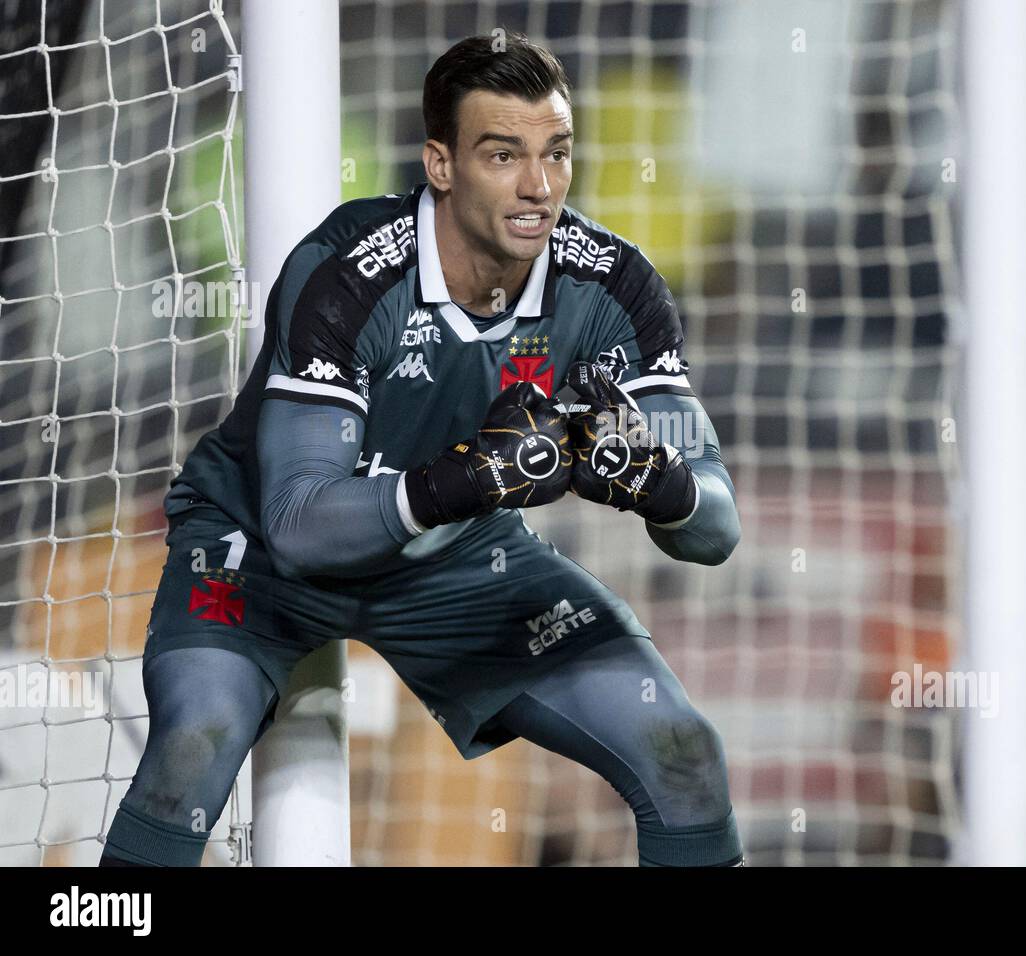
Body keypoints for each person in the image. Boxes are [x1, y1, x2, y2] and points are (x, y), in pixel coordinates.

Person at [100, 32, 743, 867]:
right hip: (253, 550)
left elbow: (718, 525)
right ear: (440, 165)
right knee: (194, 744)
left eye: (557, 153)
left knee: (681, 748)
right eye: (503, 155)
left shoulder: (614, 286)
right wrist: (464, 480)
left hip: (454, 561)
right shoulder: (347, 272)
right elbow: (297, 521)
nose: (538, 187)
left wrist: (665, 489)